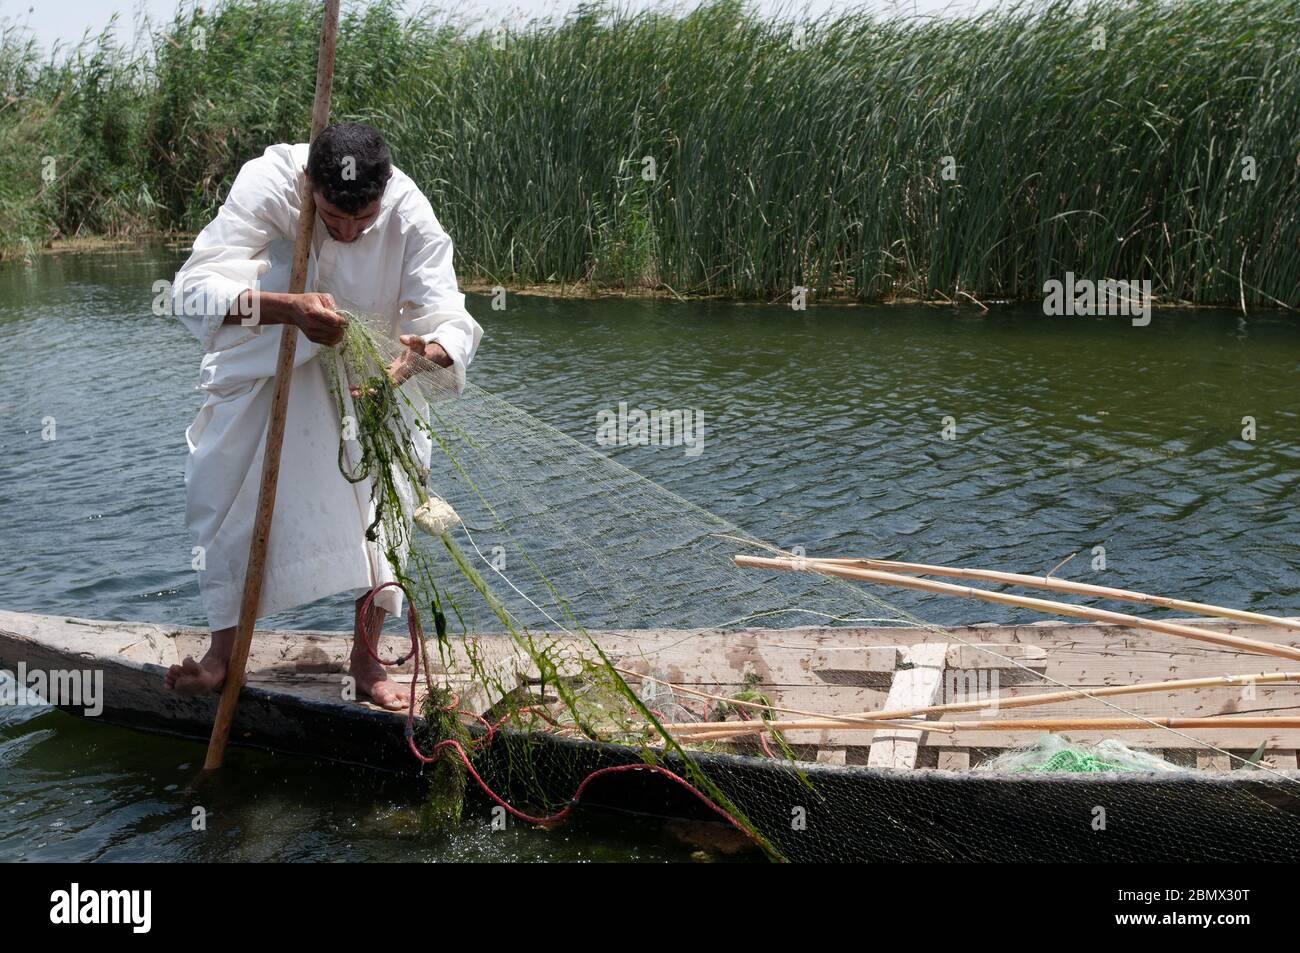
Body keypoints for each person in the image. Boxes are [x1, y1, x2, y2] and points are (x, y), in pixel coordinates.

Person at [164, 122, 482, 709]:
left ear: (383, 193)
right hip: (270, 363)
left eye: (363, 221)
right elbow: (192, 290)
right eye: (334, 220)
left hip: (377, 376)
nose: (349, 232)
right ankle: (221, 657)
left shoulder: (410, 212)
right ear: (310, 183)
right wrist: (286, 309)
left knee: (381, 518)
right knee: (228, 493)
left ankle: (366, 664)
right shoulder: (271, 181)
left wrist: (424, 356)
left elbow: (448, 318)